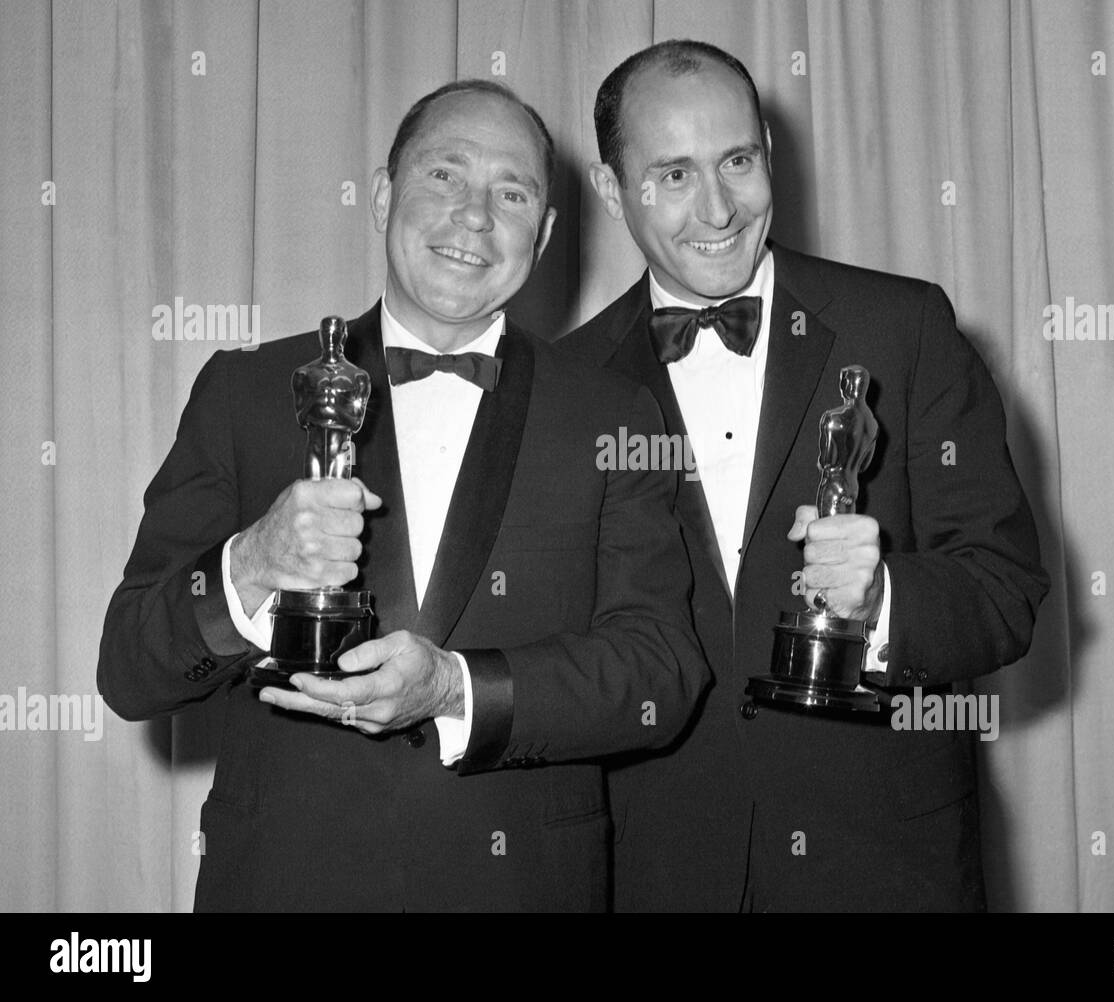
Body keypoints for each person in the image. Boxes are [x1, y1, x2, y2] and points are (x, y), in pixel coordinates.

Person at [97, 79, 708, 912]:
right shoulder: (247, 392)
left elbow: (662, 671)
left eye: (512, 193)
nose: (474, 216)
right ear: (383, 196)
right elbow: (130, 671)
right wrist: (250, 567)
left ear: (543, 233)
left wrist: (458, 688)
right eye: (444, 175)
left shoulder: (614, 413)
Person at [564, 40, 1050, 911]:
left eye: (736, 162)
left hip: (884, 867)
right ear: (611, 189)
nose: (718, 208)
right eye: (673, 175)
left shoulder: (904, 326)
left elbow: (1006, 587)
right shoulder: (568, 382)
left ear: (767, 154)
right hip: (660, 874)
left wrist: (883, 599)